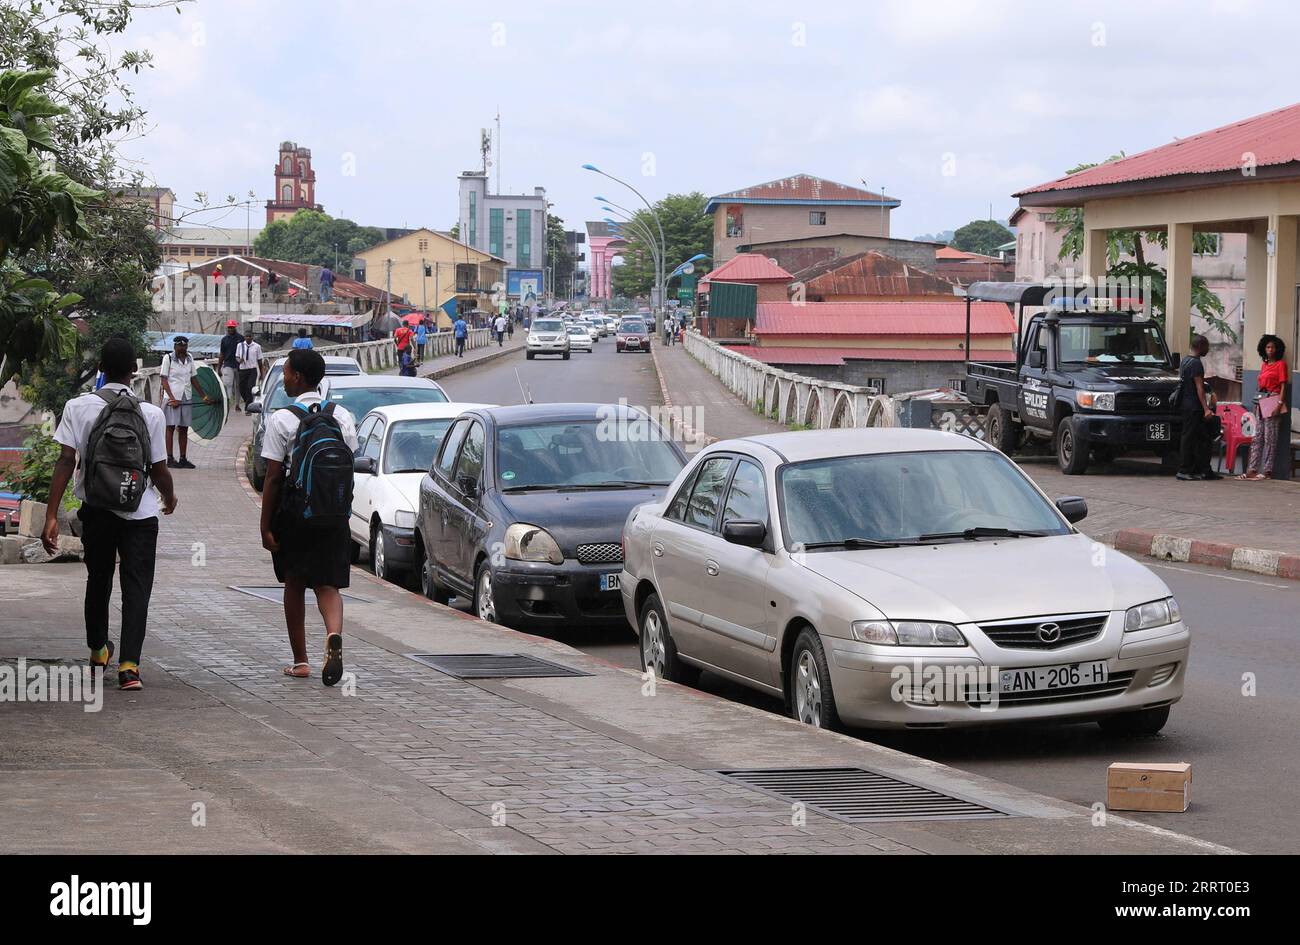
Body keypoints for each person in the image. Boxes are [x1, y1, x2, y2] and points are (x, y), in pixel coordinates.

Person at [43, 337, 178, 691]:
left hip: (98, 509)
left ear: (100, 368)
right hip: (141, 514)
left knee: (98, 580)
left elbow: (65, 461)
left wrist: (51, 516)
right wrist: (170, 495)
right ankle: (129, 667)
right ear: (135, 370)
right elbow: (159, 467)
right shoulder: (150, 413)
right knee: (137, 588)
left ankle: (98, 651)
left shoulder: (77, 406)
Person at [259, 349, 358, 685]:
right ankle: (333, 634)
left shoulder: (282, 418)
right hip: (334, 512)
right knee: (327, 583)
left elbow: (273, 477)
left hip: (296, 514)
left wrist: (265, 526)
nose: (284, 377)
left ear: (298, 377)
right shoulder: (341, 415)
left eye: (286, 372)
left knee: (295, 582)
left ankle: (301, 661)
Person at [1239, 334, 1289, 480]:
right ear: (1263, 349)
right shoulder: (1264, 365)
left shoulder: (1281, 365)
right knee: (1257, 437)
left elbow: (1283, 386)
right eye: (1267, 347)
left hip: (1274, 400)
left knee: (1270, 438)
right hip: (1261, 403)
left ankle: (1267, 471)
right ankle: (1252, 470)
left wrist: (1279, 404)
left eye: (1273, 347)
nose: (1270, 349)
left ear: (1277, 349)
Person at [159, 336, 211, 468]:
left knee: (183, 428)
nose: (182, 349)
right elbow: (164, 379)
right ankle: (169, 459)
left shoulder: (190, 358)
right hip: (172, 397)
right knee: (170, 427)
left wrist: (203, 396)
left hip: (186, 396)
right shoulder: (168, 358)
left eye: (184, 347)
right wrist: (172, 398)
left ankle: (183, 458)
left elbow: (193, 378)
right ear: (175, 347)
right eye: (180, 347)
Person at [1176, 335, 1219, 481]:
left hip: (1187, 405)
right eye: (1207, 346)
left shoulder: (1185, 361)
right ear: (1200, 346)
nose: (1208, 349)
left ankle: (1203, 469)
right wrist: (1206, 409)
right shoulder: (1196, 364)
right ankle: (1184, 469)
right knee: (1190, 438)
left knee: (1202, 438)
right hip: (1194, 407)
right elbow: (1199, 388)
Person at [217, 319, 243, 412]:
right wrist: (219, 368)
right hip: (228, 364)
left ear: (235, 327)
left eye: (232, 327)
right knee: (228, 384)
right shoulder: (224, 340)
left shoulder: (241, 338)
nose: (230, 329)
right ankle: (227, 403)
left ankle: (237, 404)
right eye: (229, 328)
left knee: (238, 386)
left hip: (239, 365)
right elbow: (222, 354)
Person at [235, 332, 265, 411]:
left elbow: (259, 360)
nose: (248, 338)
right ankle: (247, 401)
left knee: (249, 388)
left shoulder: (257, 346)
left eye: (249, 336)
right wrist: (239, 360)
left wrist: (262, 374)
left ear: (252, 337)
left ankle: (248, 408)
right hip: (242, 370)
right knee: (242, 388)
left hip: (252, 370)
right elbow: (237, 357)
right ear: (244, 337)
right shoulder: (240, 345)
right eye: (246, 336)